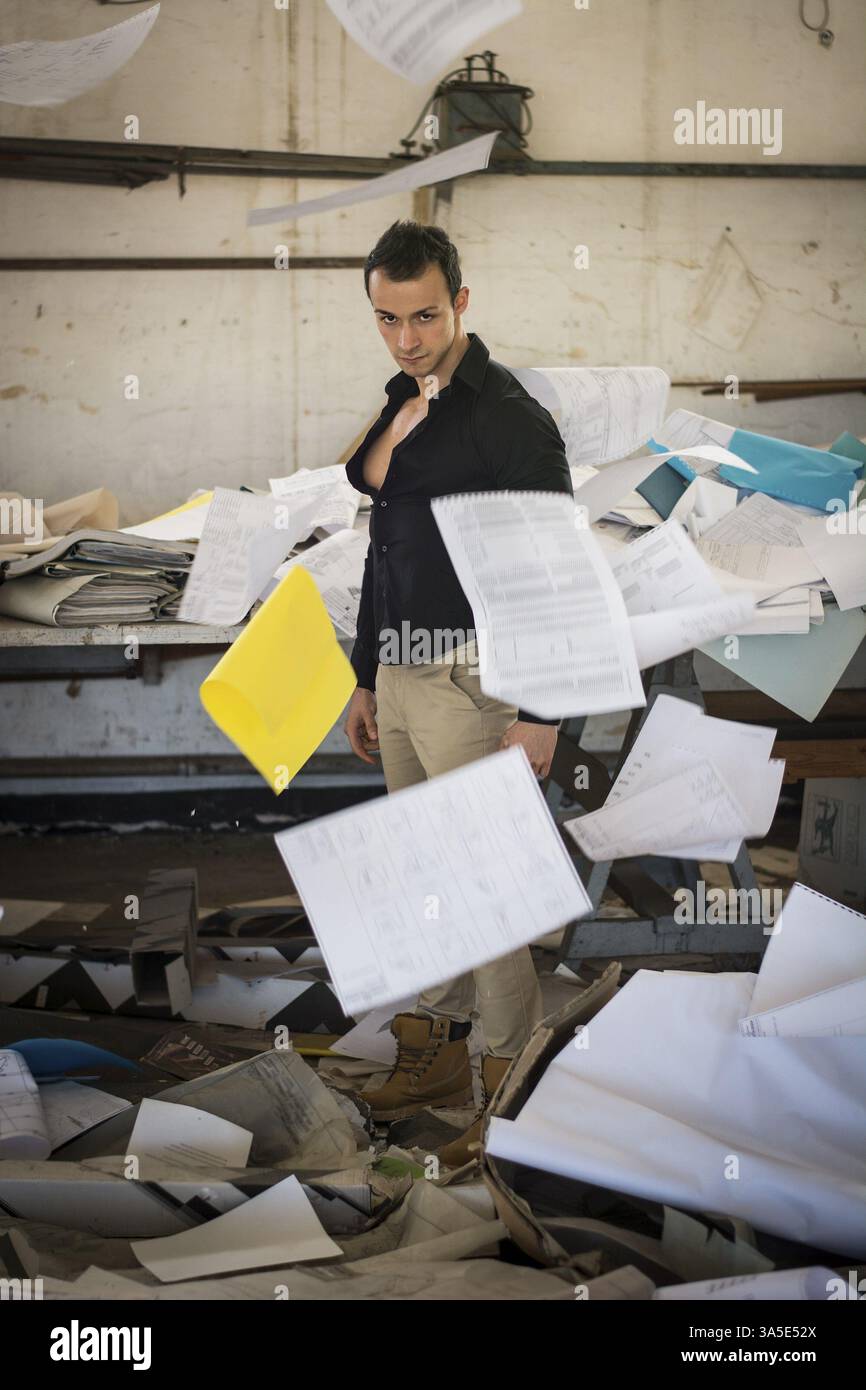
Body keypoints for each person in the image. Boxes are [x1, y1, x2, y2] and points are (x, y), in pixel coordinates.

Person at [342, 220, 573, 1165]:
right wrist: (366, 675)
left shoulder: (506, 416)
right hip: (401, 671)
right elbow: (382, 544)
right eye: (389, 318)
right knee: (424, 876)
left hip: (471, 677)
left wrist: (543, 711)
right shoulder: (404, 397)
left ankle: (508, 1087)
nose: (407, 337)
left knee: (486, 892)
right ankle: (438, 1053)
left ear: (462, 303)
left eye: (425, 315)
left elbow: (556, 572)